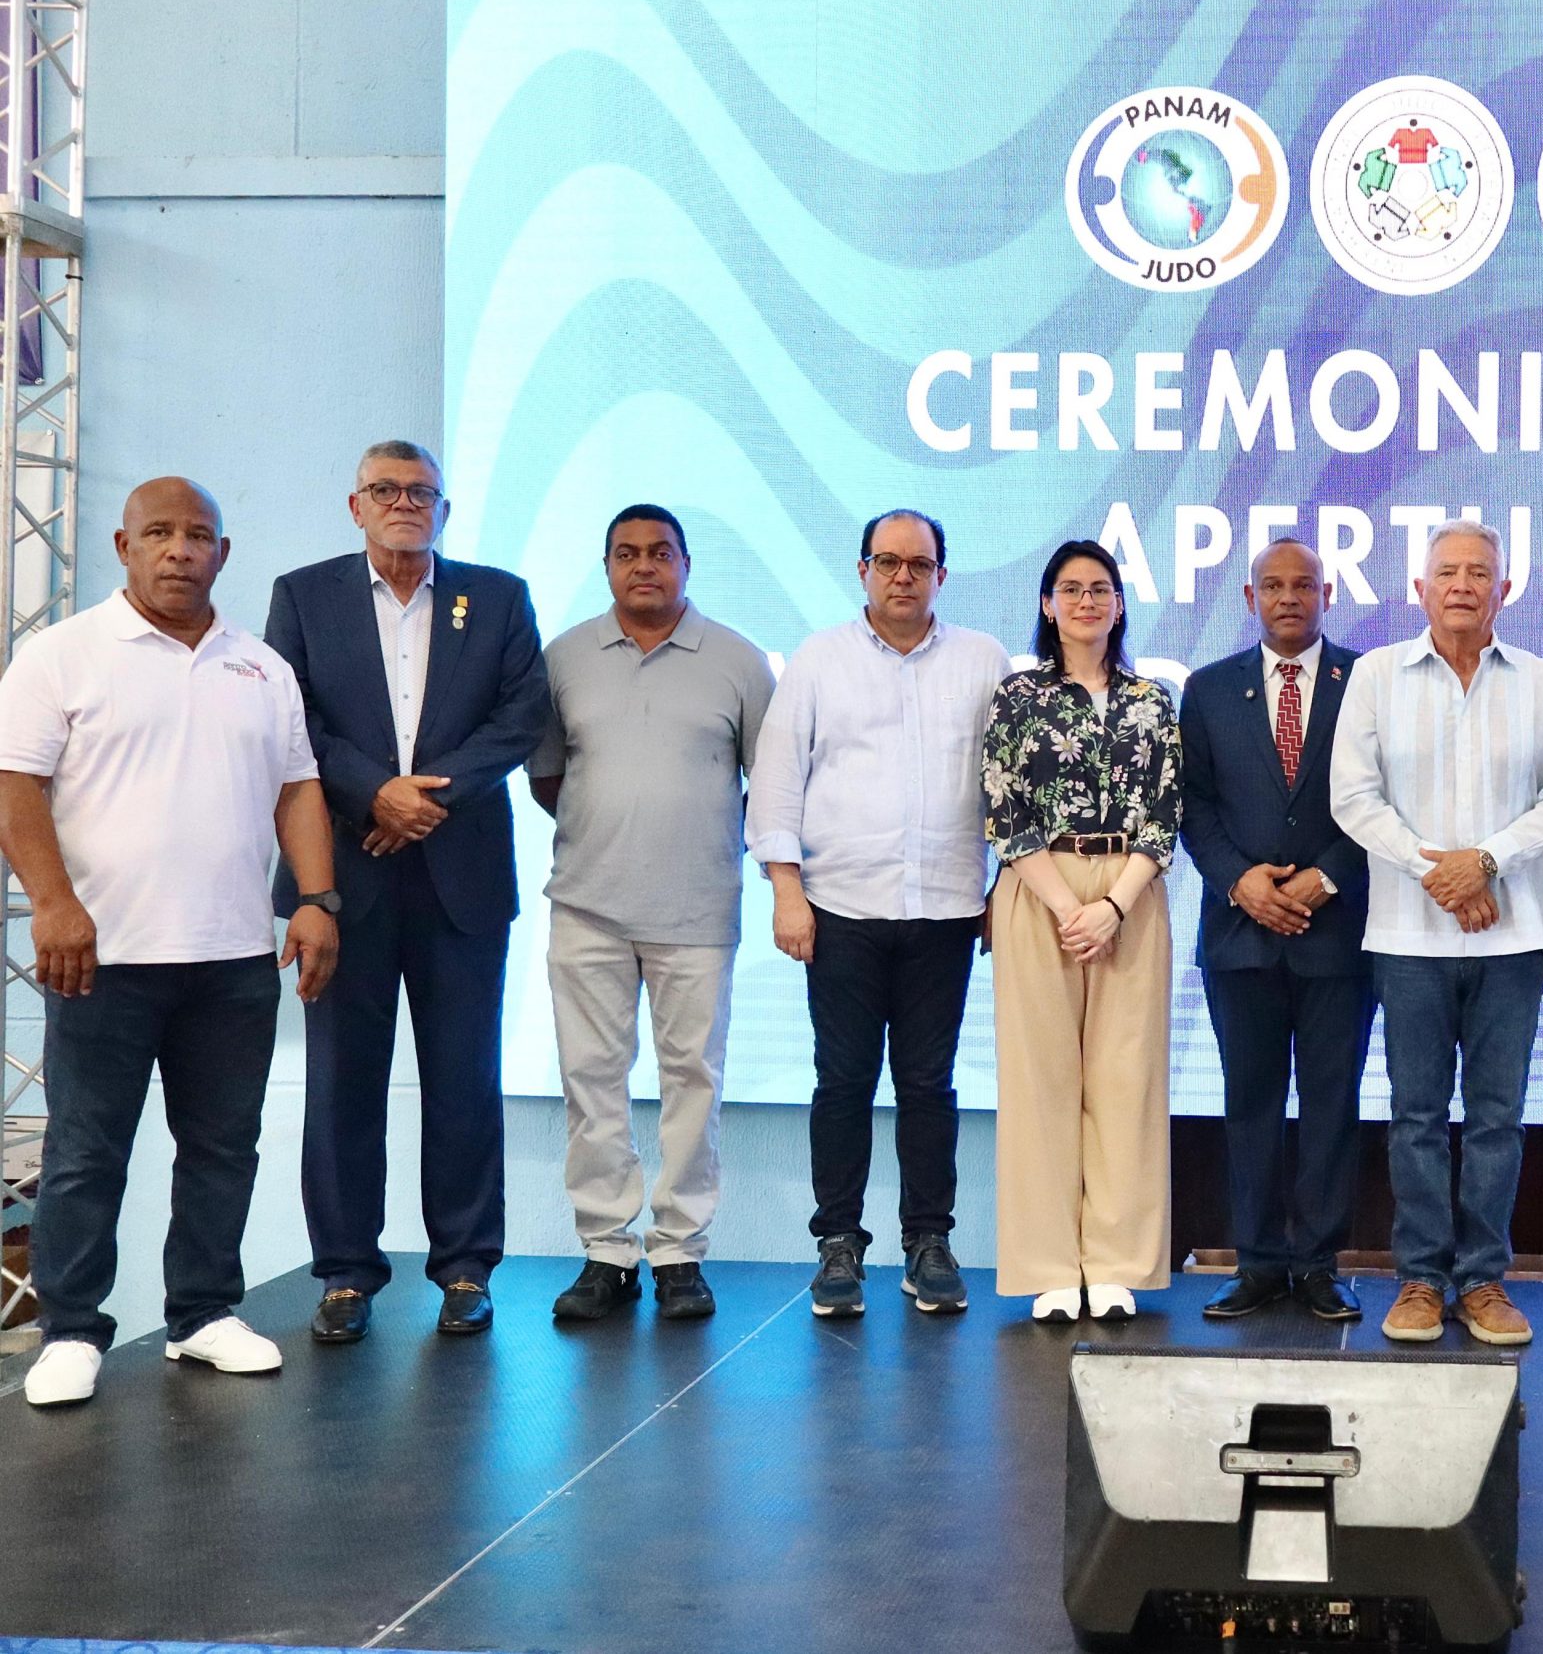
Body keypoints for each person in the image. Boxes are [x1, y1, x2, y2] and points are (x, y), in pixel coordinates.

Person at [0, 479, 339, 1406]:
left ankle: (202, 1315)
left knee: (224, 1145)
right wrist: (52, 904)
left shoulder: (261, 669)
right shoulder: (63, 655)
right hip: (101, 955)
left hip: (231, 959)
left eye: (199, 536)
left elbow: (297, 789)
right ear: (123, 545)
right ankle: (70, 1329)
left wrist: (316, 900)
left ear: (223, 554)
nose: (180, 549)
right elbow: (15, 783)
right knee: (83, 1151)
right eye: (160, 532)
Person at [265, 440, 549, 1342]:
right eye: (385, 490)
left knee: (465, 1078)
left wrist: (425, 799)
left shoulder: (496, 595)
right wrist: (371, 795)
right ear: (355, 506)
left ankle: (466, 1268)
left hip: (460, 876)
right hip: (340, 876)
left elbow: (521, 715)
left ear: (444, 509)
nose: (403, 503)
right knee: (342, 1080)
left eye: (421, 492)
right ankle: (346, 1274)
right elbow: (292, 718)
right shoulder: (303, 594)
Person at [1333, 520, 1543, 1348]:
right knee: (1413, 1115)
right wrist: (1434, 871)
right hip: (1407, 938)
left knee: (1495, 1118)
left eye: (1480, 572)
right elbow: (1354, 797)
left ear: (1504, 591)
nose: (1462, 585)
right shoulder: (1377, 676)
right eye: (1446, 571)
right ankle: (1418, 1279)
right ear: (1419, 588)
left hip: (1510, 938)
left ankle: (1482, 1281)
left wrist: (1484, 861)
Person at [749, 509, 1007, 1319]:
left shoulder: (984, 661)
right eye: (887, 562)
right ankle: (838, 1246)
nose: (903, 576)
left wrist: (1002, 891)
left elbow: (1010, 791)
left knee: (929, 1084)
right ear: (861, 569)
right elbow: (779, 782)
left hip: (946, 909)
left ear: (941, 574)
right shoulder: (820, 661)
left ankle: (928, 1242)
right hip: (840, 908)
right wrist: (787, 892)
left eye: (919, 564)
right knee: (844, 1082)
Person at [529, 505, 774, 1324]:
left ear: (686, 564)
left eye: (660, 553)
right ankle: (606, 1250)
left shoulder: (738, 662)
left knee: (692, 1084)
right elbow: (547, 779)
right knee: (591, 1083)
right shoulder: (564, 659)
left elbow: (767, 788)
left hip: (698, 909)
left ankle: (678, 1253)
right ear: (606, 567)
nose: (645, 566)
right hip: (589, 908)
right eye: (627, 554)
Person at [982, 540, 1181, 1322]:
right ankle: (1049, 1266)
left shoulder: (1152, 698)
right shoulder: (1018, 696)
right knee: (1041, 1082)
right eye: (1071, 589)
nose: (1087, 601)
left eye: (1101, 589)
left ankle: (1118, 1261)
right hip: (1041, 891)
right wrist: (1069, 908)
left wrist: (1114, 907)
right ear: (1047, 604)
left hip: (1129, 893)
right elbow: (1003, 809)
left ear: (1121, 603)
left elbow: (1166, 814)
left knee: (1127, 1084)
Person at [1179, 538, 1371, 1324]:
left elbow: (1386, 799)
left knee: (1332, 1102)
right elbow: (1193, 805)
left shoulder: (1366, 682)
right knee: (1249, 1101)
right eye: (1272, 586)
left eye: (1304, 585)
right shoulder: (1209, 688)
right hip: (1241, 934)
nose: (1289, 597)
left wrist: (1324, 877)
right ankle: (1258, 1263)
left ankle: (1320, 1264)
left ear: (1327, 593)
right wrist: (1240, 882)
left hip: (1338, 936)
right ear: (1249, 599)